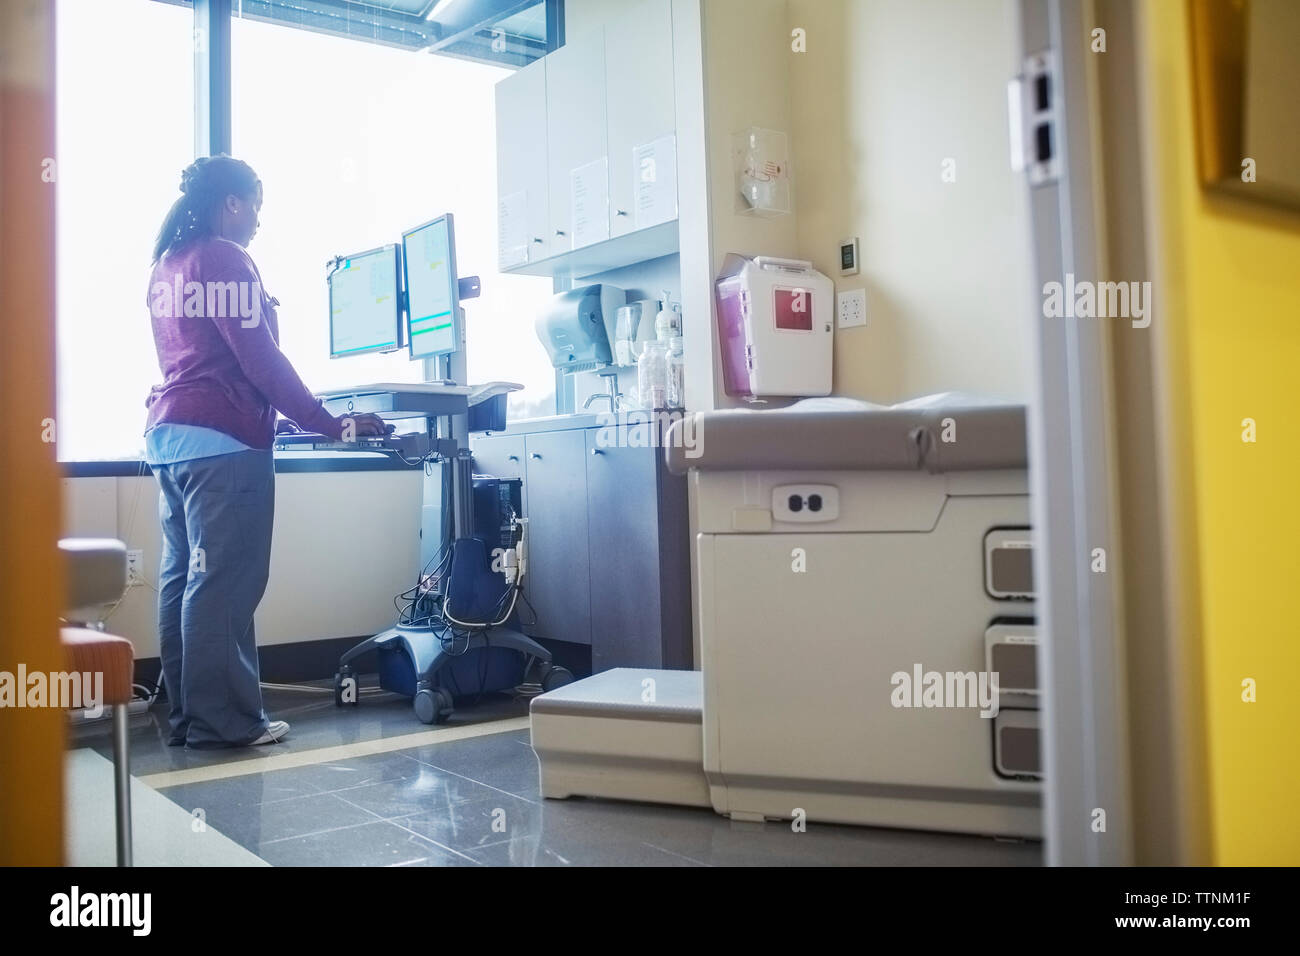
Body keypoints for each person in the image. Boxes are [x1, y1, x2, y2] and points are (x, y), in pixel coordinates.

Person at [145, 155, 386, 748]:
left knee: (187, 582)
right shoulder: (224, 258)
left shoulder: (166, 264)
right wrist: (327, 423)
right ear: (232, 202)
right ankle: (223, 723)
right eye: (254, 205)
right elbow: (260, 362)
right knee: (224, 585)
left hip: (172, 443)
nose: (257, 220)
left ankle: (188, 720)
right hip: (223, 444)